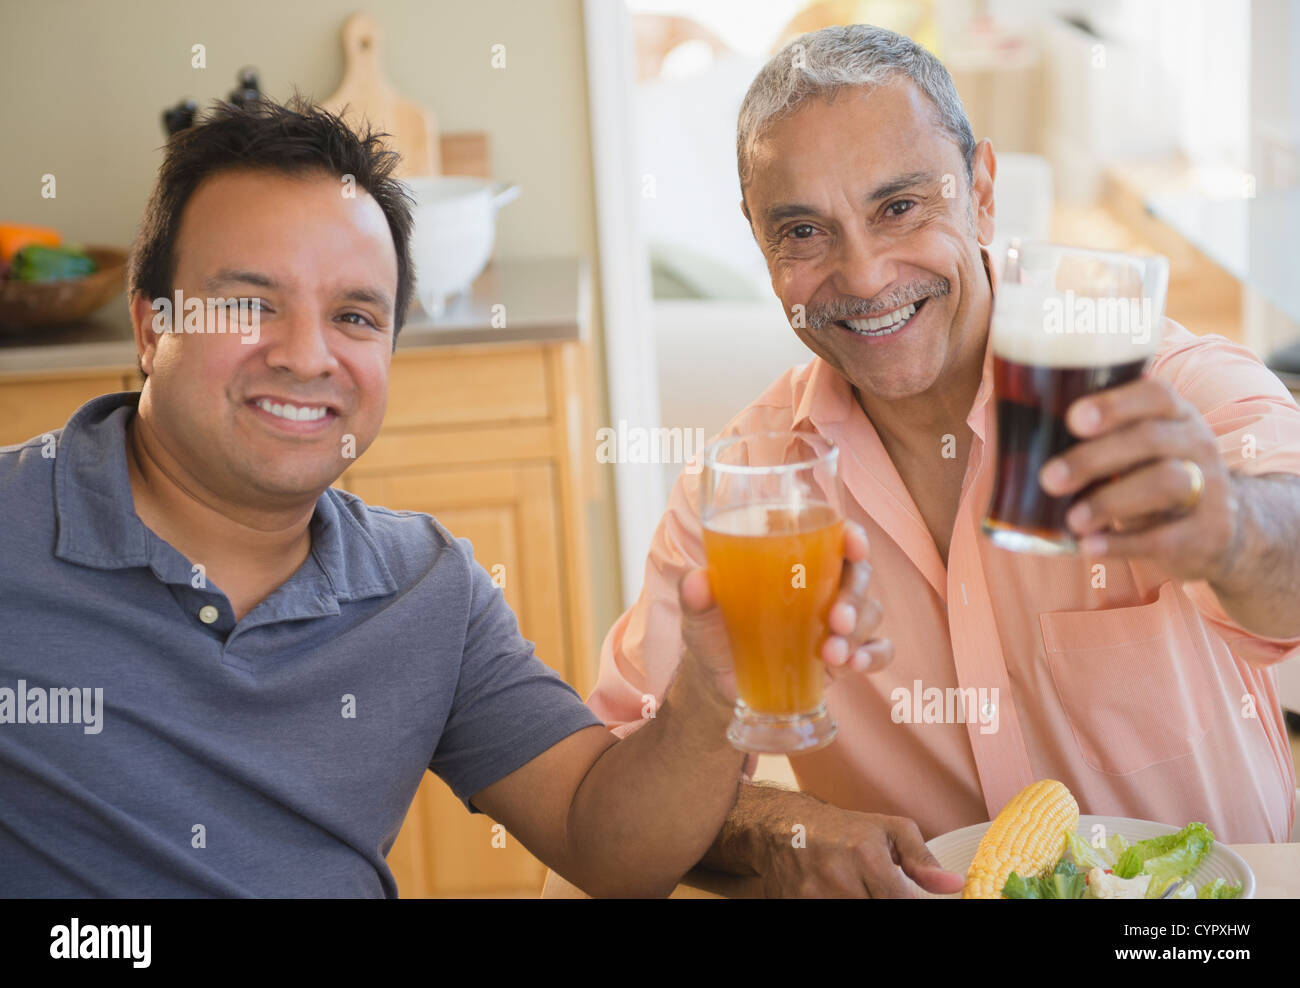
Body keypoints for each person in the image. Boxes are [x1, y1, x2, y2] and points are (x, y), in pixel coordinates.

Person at [0, 95, 890, 897]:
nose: (307, 356)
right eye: (249, 304)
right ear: (153, 325)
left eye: (355, 316)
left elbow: (603, 839)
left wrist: (711, 697)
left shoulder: (427, 589)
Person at [588, 24, 1300, 897]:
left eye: (900, 208)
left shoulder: (1157, 380)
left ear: (984, 191)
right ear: (759, 241)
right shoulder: (745, 491)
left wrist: (1228, 526)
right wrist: (775, 826)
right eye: (805, 231)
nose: (865, 274)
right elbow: (614, 801)